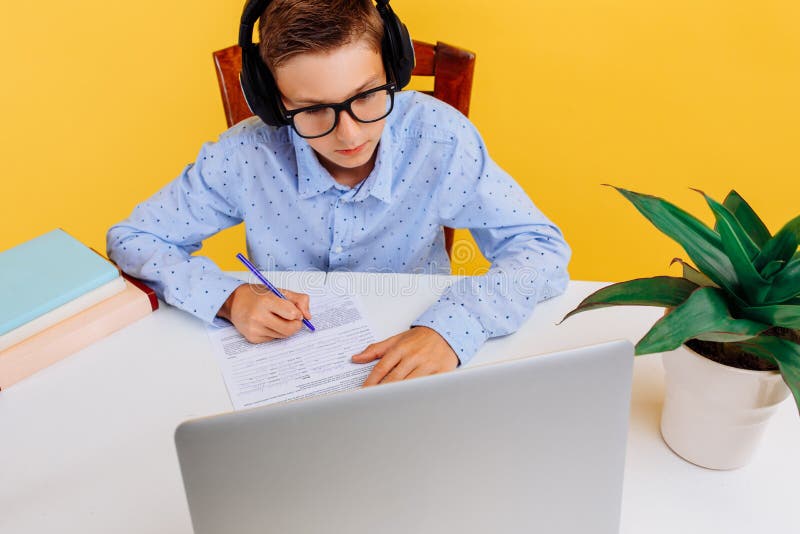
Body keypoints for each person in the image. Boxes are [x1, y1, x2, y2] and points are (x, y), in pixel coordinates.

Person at [106, 0, 571, 386]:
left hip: (416, 346)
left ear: (394, 68)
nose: (348, 134)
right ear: (273, 102)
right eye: (312, 110)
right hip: (283, 364)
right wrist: (229, 298)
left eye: (367, 95)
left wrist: (455, 329)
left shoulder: (440, 139)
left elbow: (542, 250)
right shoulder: (245, 155)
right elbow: (132, 239)